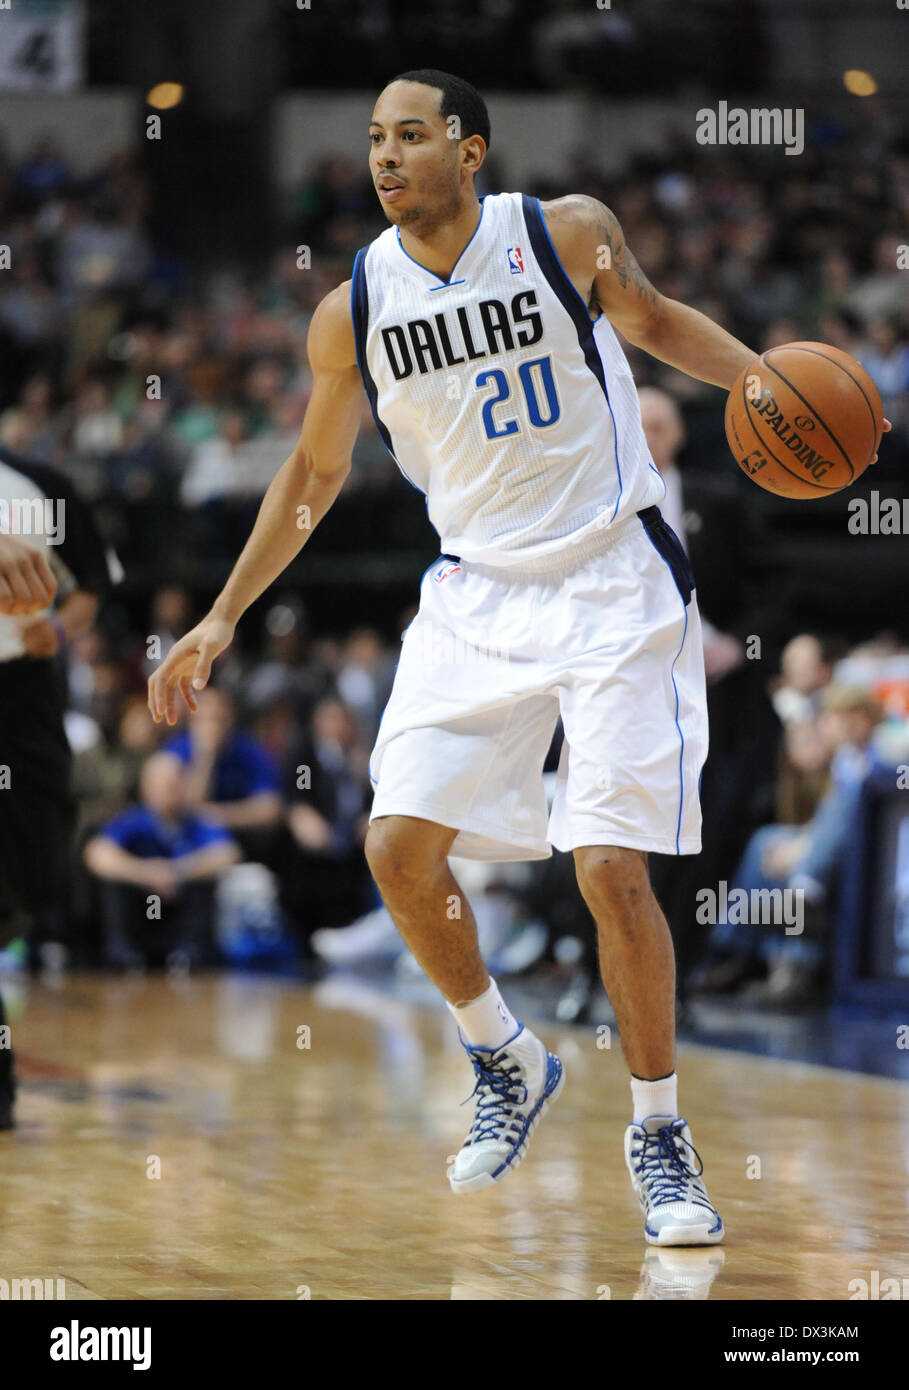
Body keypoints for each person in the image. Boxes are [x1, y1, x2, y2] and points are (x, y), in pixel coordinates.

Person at [149, 71, 891, 1245]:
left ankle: (659, 1134)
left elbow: (649, 320)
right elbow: (313, 474)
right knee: (395, 844)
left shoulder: (564, 233)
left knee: (608, 868)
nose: (386, 157)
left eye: (412, 135)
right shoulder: (352, 310)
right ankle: (504, 1049)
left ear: (472, 150)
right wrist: (223, 613)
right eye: (375, 139)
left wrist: (757, 374)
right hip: (474, 593)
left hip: (610, 578)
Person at [0, 448, 113, 1129]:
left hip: (22, 688)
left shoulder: (43, 484)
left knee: (35, 866)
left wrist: (55, 627)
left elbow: (89, 592)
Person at [83, 752, 240, 970]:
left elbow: (227, 854)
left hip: (179, 908)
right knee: (113, 883)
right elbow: (96, 854)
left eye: (176, 783)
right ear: (146, 787)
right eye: (164, 785)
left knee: (205, 883)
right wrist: (144, 873)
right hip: (143, 909)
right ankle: (122, 951)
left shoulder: (197, 822)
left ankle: (190, 952)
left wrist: (178, 871)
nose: (170, 790)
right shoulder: (132, 820)